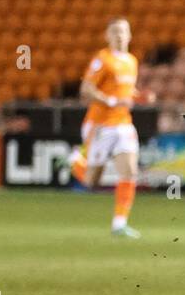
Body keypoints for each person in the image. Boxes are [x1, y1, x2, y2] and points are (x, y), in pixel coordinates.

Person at [64, 18, 152, 238]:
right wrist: (111, 101)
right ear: (107, 36)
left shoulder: (131, 61)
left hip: (123, 123)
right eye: (114, 32)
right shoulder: (102, 60)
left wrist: (139, 97)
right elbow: (86, 89)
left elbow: (125, 90)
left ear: (130, 35)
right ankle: (75, 159)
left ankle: (119, 224)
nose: (119, 36)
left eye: (123, 31)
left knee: (130, 171)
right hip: (100, 124)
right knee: (91, 182)